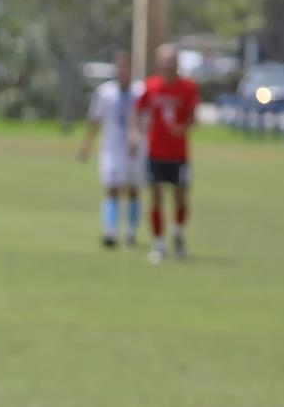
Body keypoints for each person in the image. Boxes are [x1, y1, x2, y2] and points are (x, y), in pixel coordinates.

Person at [135, 43, 200, 263]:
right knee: (155, 196)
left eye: (171, 61)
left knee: (180, 197)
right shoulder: (150, 86)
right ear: (158, 63)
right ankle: (158, 243)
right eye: (164, 61)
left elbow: (193, 116)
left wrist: (182, 128)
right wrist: (137, 131)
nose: (168, 65)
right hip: (155, 151)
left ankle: (178, 231)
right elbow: (138, 111)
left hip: (179, 154)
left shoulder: (188, 87)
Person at [77, 49, 143, 249]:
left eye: (126, 67)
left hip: (135, 149)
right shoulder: (105, 93)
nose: (122, 71)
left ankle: (130, 232)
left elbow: (145, 119)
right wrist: (86, 146)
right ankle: (110, 232)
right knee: (112, 189)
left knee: (133, 190)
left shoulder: (140, 91)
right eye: (119, 66)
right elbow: (94, 120)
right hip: (112, 148)